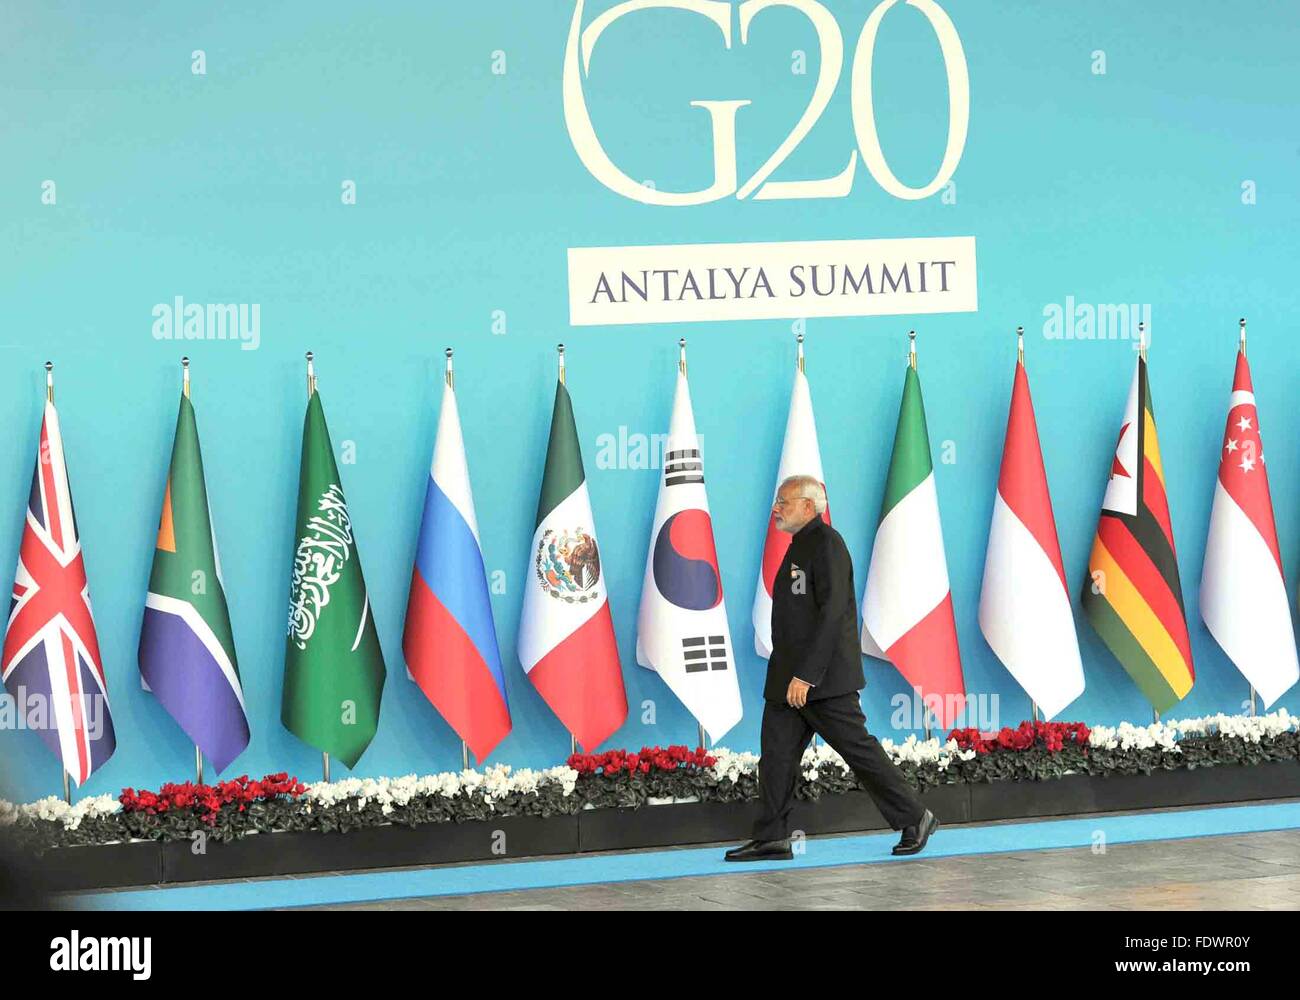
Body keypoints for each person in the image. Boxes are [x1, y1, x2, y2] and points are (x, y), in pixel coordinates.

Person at [725, 474, 938, 862]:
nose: (776, 508)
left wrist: (807, 675)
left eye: (784, 502)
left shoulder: (828, 546)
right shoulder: (798, 547)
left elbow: (832, 614)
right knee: (776, 757)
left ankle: (916, 817)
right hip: (787, 682)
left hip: (821, 682)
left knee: (858, 752)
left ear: (808, 507)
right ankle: (772, 836)